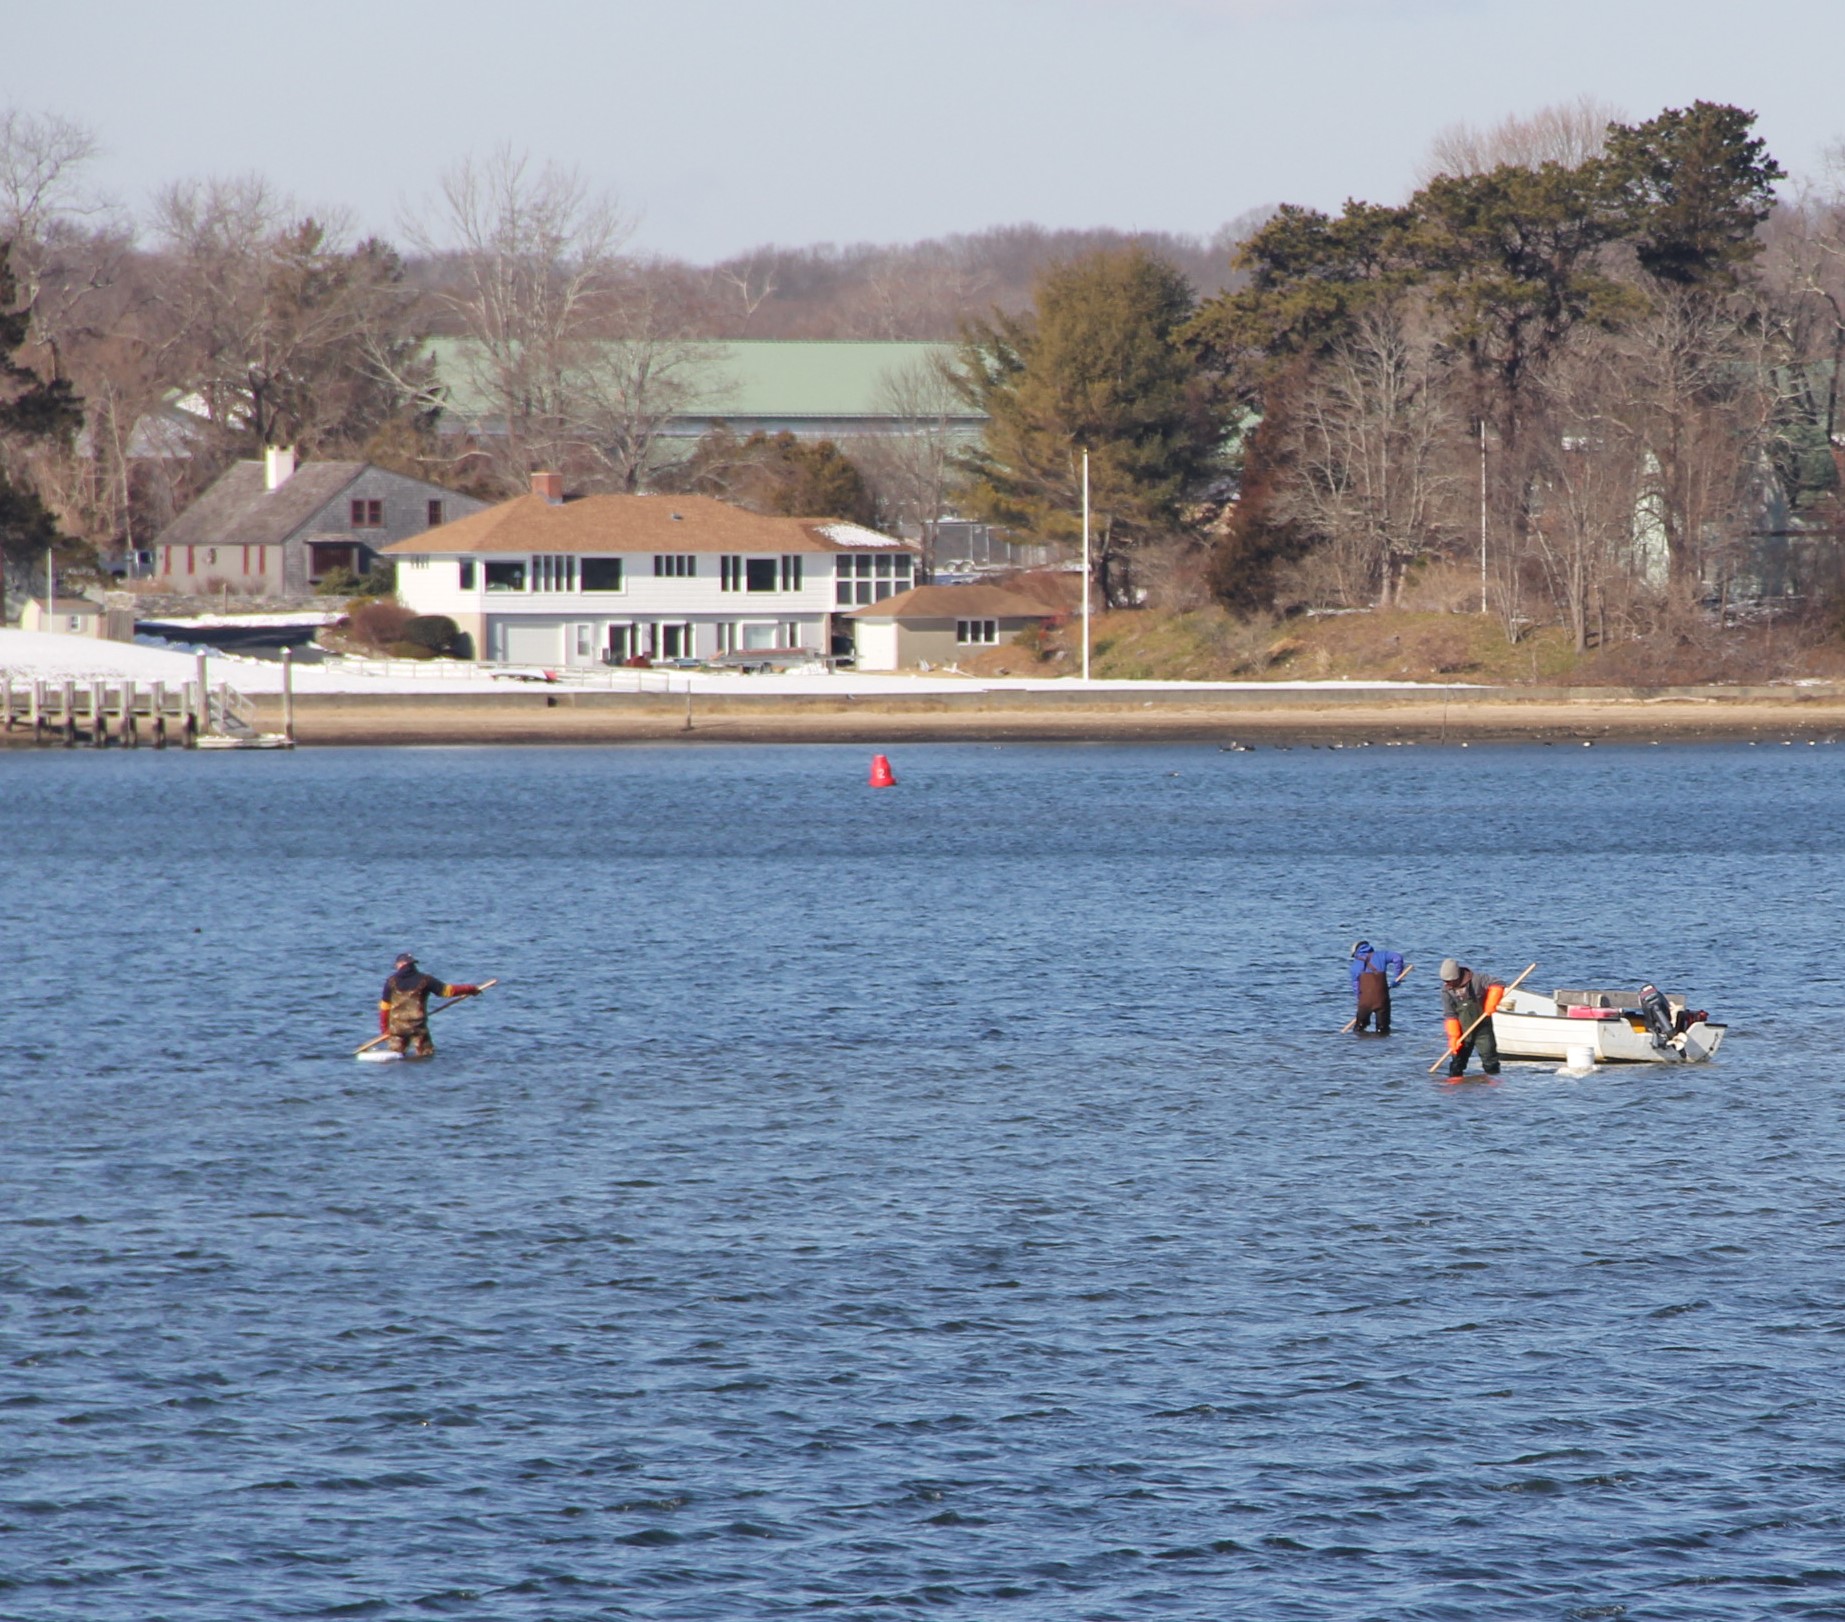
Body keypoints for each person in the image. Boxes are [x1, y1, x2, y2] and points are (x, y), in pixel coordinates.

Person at [379, 952, 480, 1058]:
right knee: (425, 1056)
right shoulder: (426, 980)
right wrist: (470, 989)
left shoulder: (391, 981)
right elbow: (447, 991)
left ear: (399, 965)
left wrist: (384, 1029)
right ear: (413, 965)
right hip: (417, 1026)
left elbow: (385, 1007)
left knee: (395, 1056)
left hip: (397, 1028)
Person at [1439, 958, 1505, 1078]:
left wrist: (1491, 1002)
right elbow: (1450, 1015)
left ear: (1457, 977)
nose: (1447, 984)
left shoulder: (1477, 979)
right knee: (1456, 1065)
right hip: (1462, 1031)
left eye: (1449, 981)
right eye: (1445, 981)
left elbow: (1499, 983)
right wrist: (1454, 1037)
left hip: (1483, 1029)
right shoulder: (1446, 991)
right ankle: (1457, 1090)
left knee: (1490, 1062)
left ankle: (1493, 1088)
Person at [1349, 940, 1406, 1034]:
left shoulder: (1355, 965)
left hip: (1365, 1002)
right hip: (1382, 999)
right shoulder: (1381, 955)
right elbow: (1398, 958)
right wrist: (1397, 978)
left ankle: (1360, 1048)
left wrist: (1360, 999)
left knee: (1359, 1030)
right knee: (1383, 1030)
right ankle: (1383, 1048)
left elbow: (1356, 988)